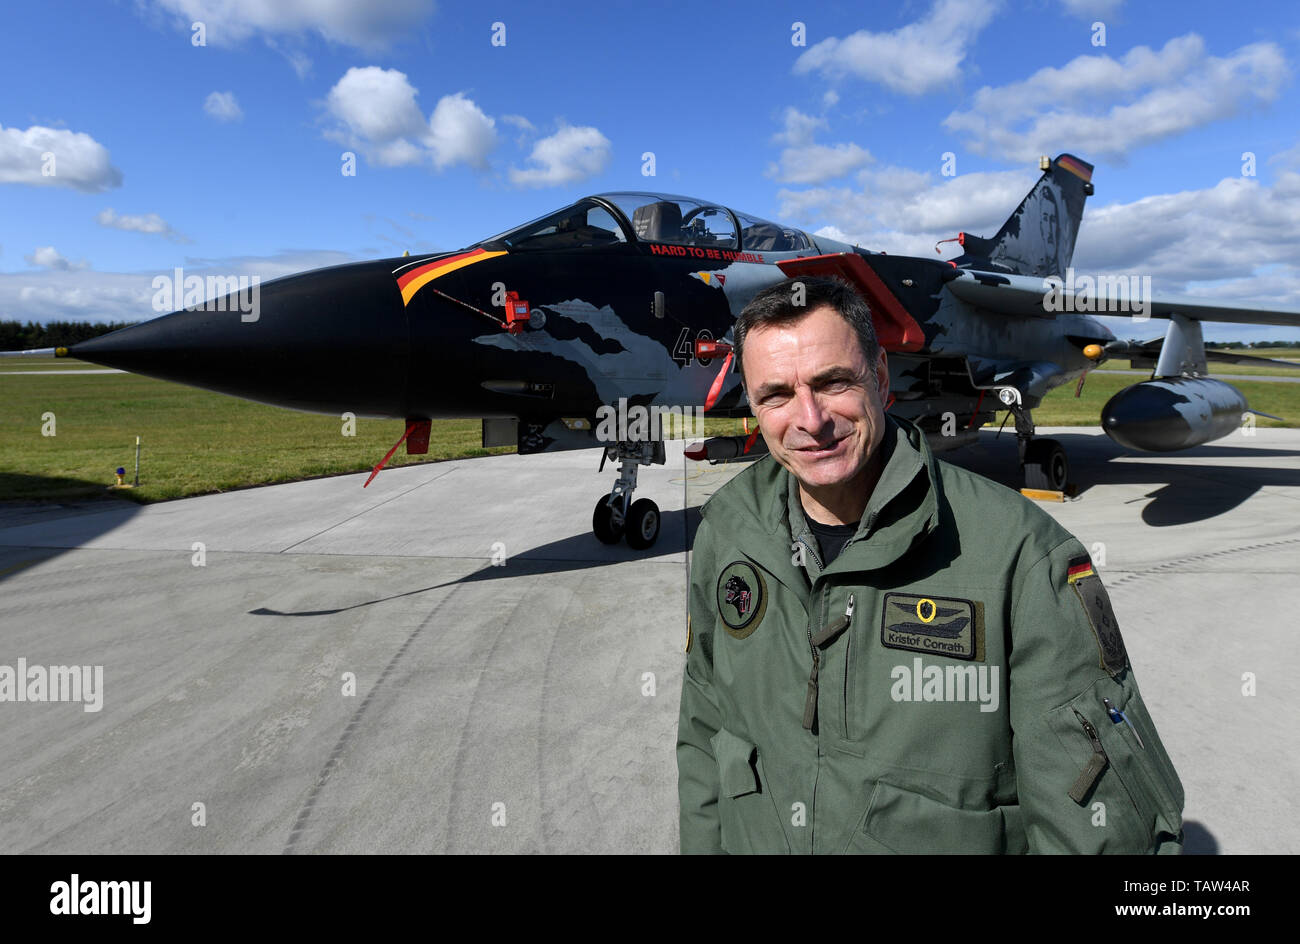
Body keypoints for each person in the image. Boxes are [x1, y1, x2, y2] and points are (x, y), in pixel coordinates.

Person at [676, 275, 1184, 854]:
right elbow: (705, 729)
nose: (810, 420)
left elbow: (1095, 816)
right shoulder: (728, 529)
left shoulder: (1018, 556)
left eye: (833, 382)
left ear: (882, 377)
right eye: (777, 395)